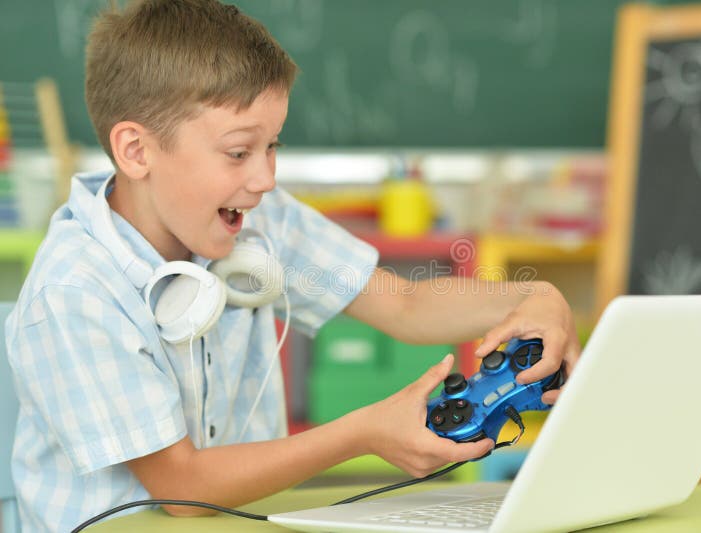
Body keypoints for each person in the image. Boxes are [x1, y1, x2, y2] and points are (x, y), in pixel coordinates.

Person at [3, 1, 581, 531]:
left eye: (272, 146)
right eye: (238, 152)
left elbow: (404, 303)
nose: (265, 179)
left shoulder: (261, 219)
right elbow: (181, 488)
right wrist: (362, 433)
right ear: (136, 151)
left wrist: (531, 299)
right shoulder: (74, 292)